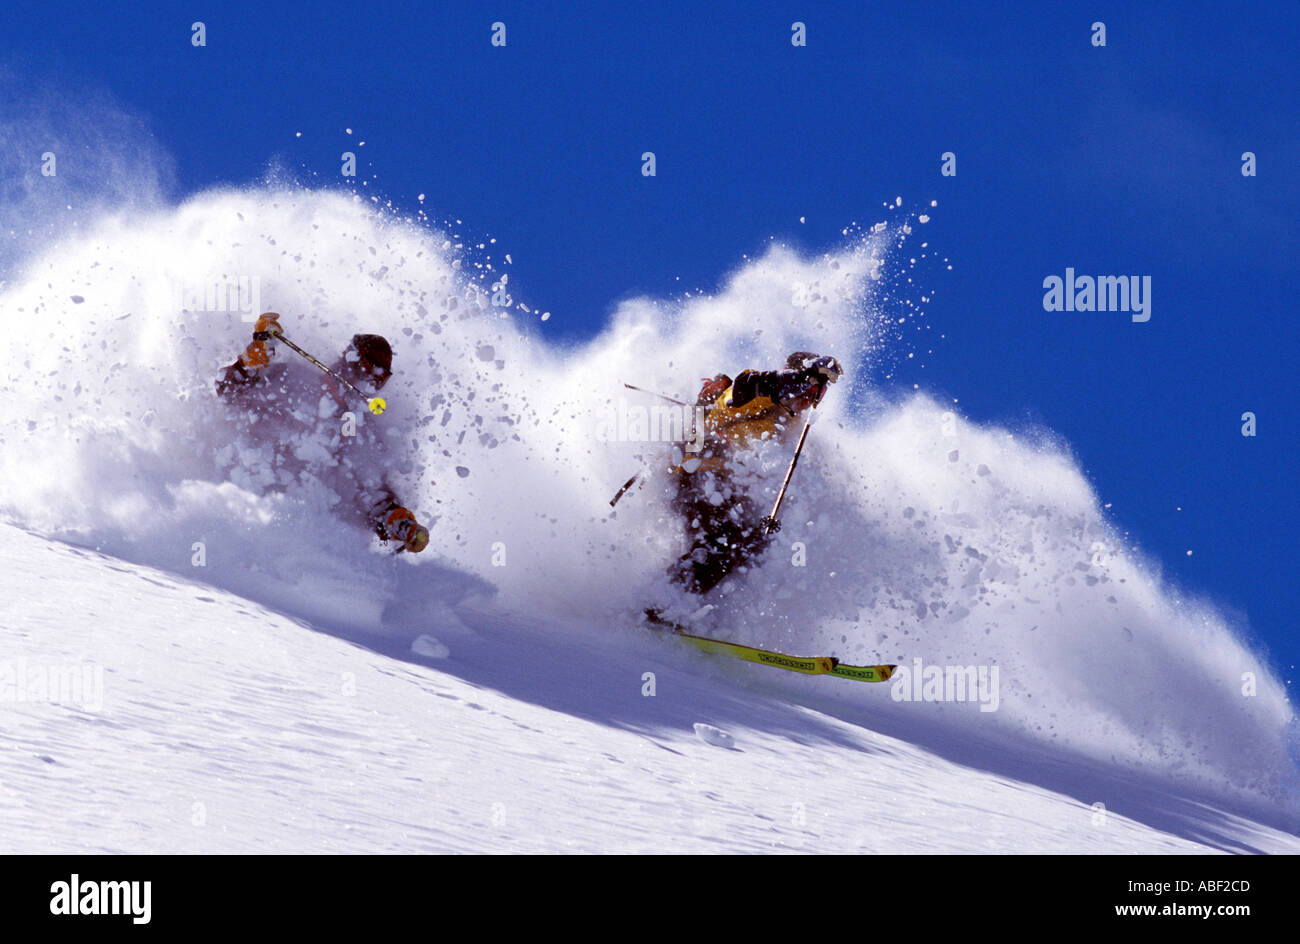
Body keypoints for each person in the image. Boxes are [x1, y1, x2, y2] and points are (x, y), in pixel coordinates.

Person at [215, 312, 430, 553]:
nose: (369, 382)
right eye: (365, 369)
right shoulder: (292, 378)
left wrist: (398, 522)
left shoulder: (361, 433)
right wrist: (248, 364)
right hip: (238, 502)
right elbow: (227, 391)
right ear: (348, 360)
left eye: (380, 379)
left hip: (291, 534)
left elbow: (372, 496)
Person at [669, 351, 841, 594]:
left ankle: (689, 605)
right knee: (725, 540)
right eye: (811, 391)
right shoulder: (763, 397)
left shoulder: (789, 424)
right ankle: (670, 599)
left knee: (754, 542)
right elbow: (744, 386)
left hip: (723, 483)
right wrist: (801, 378)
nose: (810, 401)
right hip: (700, 470)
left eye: (818, 396)